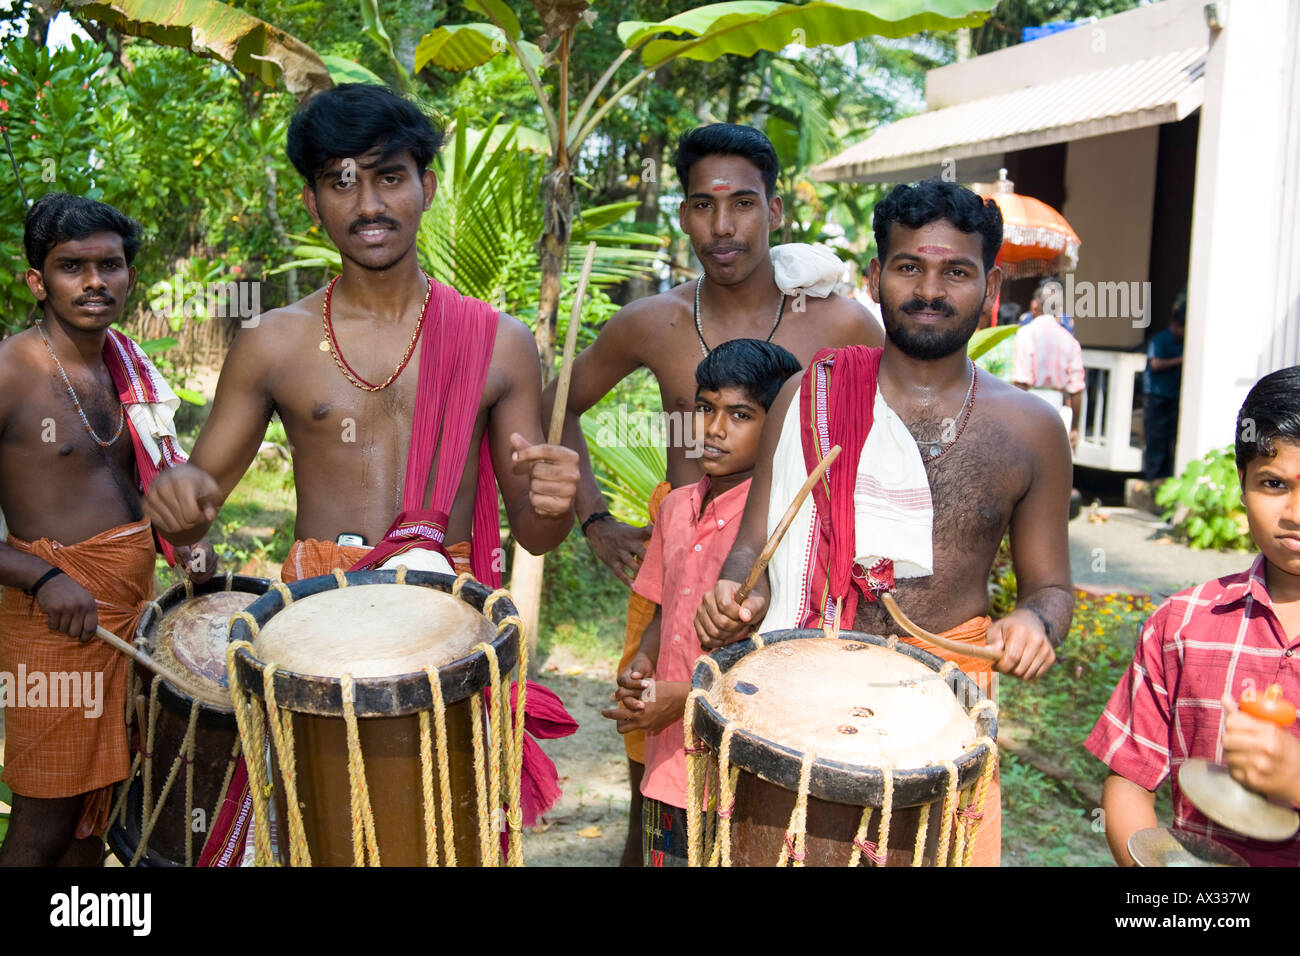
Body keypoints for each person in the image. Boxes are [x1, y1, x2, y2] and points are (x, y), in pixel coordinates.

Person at [143, 84, 580, 861]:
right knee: (321, 842)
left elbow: (539, 534)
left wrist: (555, 500)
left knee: (439, 843)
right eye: (341, 181)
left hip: (448, 625)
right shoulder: (273, 341)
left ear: (427, 187)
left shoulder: (500, 342)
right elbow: (197, 501)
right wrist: (178, 501)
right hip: (313, 626)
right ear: (312, 202)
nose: (369, 203)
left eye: (389, 177)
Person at [695, 180, 1076, 866]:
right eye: (909, 267)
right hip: (800, 693)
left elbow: (1051, 588)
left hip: (943, 711)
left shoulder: (1032, 430)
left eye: (955, 272)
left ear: (990, 286)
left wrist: (1035, 622)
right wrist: (735, 593)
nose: (929, 290)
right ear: (875, 277)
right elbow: (752, 547)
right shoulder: (807, 396)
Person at [546, 123, 883, 864]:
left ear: (775, 210)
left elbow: (895, 432)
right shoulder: (656, 320)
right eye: (703, 205)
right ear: (683, 214)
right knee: (658, 789)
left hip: (788, 591)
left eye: (742, 204)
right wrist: (594, 518)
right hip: (675, 575)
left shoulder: (841, 322)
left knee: (768, 795)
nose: (722, 226)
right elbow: (559, 403)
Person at [0, 193, 213, 866]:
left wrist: (185, 540)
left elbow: (149, 483)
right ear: (37, 281)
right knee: (45, 822)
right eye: (72, 267)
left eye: (110, 265)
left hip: (129, 618)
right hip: (53, 622)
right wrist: (42, 578)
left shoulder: (129, 368)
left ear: (129, 276)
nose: (94, 282)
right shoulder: (9, 372)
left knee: (98, 821)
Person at [1087, 365, 1300, 867]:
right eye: (1273, 483)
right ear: (1242, 484)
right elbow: (1129, 781)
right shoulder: (1181, 625)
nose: (1295, 513)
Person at [599, 339, 801, 866]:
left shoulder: (781, 525)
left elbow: (783, 654)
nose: (714, 428)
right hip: (668, 757)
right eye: (705, 408)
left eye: (740, 415)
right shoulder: (674, 508)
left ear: (777, 427)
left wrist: (688, 699)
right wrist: (644, 663)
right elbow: (663, 609)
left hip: (743, 766)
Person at [1011, 278, 1085, 450]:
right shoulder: (1069, 340)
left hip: (1029, 403)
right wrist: (1075, 427)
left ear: (1035, 306)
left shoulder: (1026, 333)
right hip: (1058, 407)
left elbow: (1021, 381)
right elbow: (1076, 389)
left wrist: (1014, 418)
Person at [1141, 300, 1185, 481]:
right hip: (1156, 395)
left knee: (1170, 438)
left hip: (1173, 395)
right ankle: (1153, 477)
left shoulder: (1182, 341)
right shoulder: (1160, 340)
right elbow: (1156, 364)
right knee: (1156, 437)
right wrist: (1179, 360)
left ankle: (1167, 476)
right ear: (1177, 325)